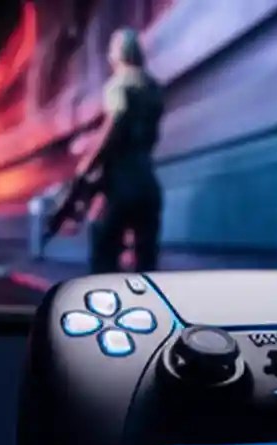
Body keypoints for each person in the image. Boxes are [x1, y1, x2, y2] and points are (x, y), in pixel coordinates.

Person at [72, 27, 164, 273]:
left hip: (121, 185)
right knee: (146, 264)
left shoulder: (118, 84)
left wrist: (89, 162)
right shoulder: (153, 87)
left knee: (103, 254)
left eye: (111, 50)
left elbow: (117, 121)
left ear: (119, 54)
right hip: (148, 183)